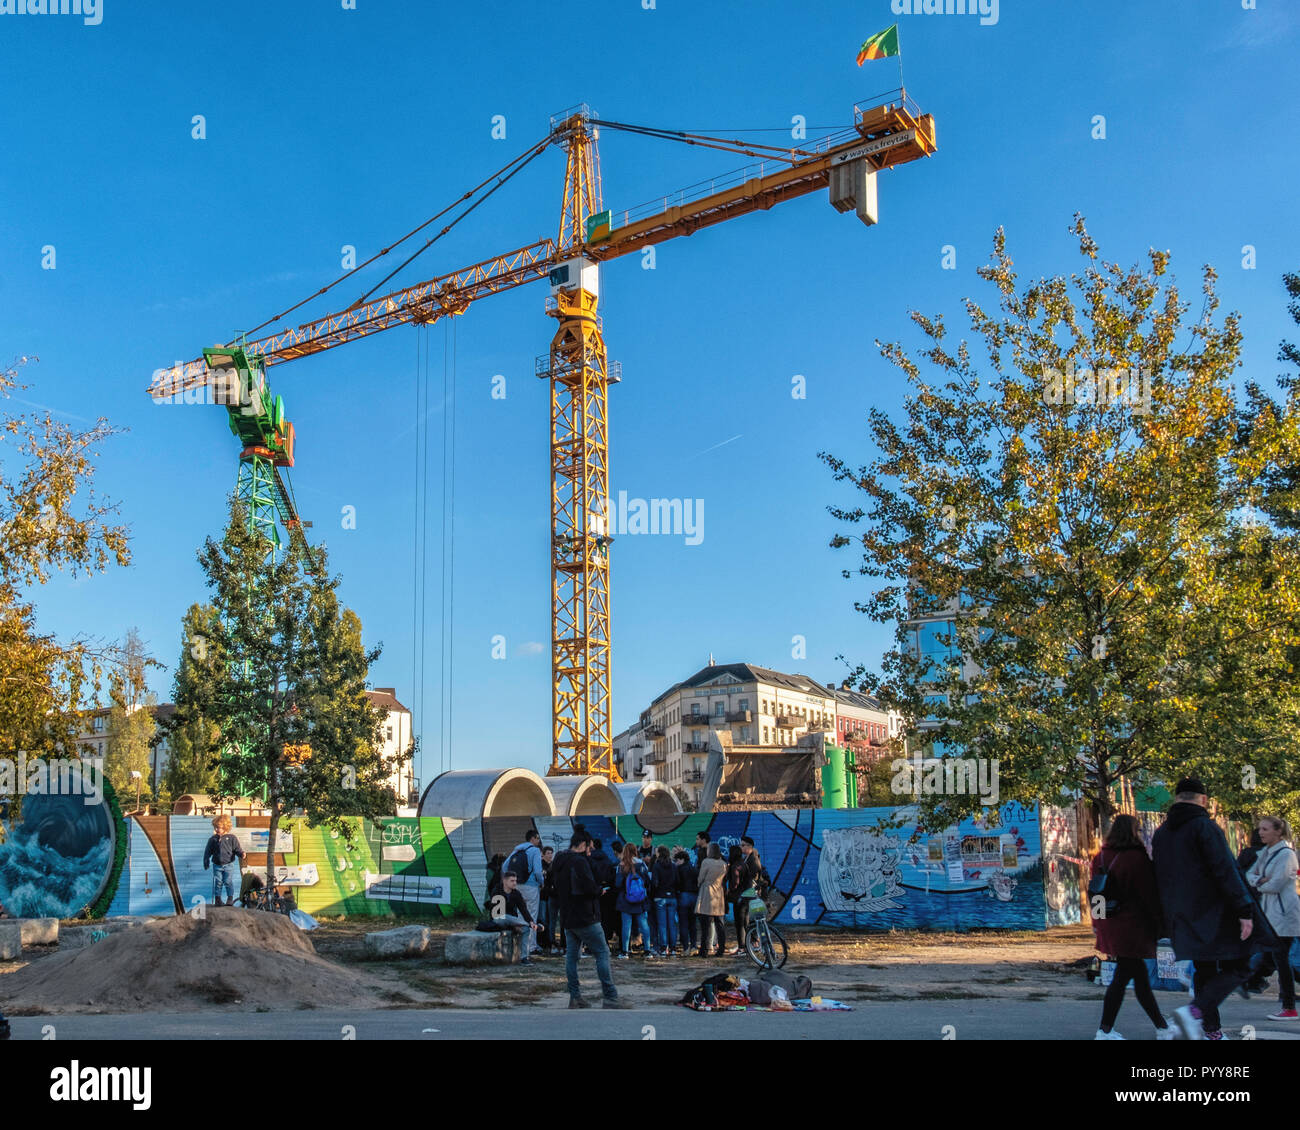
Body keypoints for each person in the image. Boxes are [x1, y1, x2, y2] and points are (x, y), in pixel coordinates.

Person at [1152, 777, 1261, 1041]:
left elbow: (1158, 875)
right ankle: (1194, 1012)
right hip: (1213, 914)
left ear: (1177, 798)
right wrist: (1244, 910)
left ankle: (1209, 1030)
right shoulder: (1205, 828)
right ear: (1203, 799)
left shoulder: (1162, 833)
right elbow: (1226, 871)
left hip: (1179, 915)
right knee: (1243, 965)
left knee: (1205, 969)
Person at [1090, 814, 1174, 1040]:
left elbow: (1095, 894)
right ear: (1133, 832)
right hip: (1134, 926)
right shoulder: (1137, 859)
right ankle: (1105, 1031)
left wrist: (1097, 924)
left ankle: (1162, 1027)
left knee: (1137, 977)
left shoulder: (1100, 858)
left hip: (1110, 923)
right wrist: (1162, 925)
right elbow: (1149, 896)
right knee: (1124, 977)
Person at [551, 830, 631, 1008]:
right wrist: (598, 891)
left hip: (567, 917)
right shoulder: (579, 862)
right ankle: (610, 996)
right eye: (589, 847)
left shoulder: (559, 860)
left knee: (572, 957)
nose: (590, 852)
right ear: (582, 844)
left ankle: (575, 996)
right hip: (585, 916)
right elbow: (587, 887)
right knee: (602, 953)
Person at [1246, 815, 1300, 1020]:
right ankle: (1285, 1002)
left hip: (1284, 914)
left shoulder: (1286, 855)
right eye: (1260, 829)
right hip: (1270, 913)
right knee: (1277, 957)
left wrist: (1260, 881)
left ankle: (1288, 1006)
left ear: (1278, 831)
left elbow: (1275, 884)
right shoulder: (1265, 853)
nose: (1261, 832)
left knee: (1280, 958)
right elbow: (1250, 876)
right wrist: (1261, 879)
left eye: (1265, 829)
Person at [475, 870, 538, 965]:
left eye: (515, 881)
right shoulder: (497, 891)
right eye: (512, 881)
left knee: (526, 929)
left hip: (512, 922)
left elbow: (523, 909)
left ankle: (524, 958)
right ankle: (526, 924)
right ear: (505, 881)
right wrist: (520, 923)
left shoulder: (516, 893)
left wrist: (530, 921)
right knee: (505, 917)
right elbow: (497, 913)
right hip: (498, 919)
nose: (515, 883)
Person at [503, 829, 544, 956]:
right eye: (538, 838)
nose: (539, 841)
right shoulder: (535, 850)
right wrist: (541, 882)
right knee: (531, 915)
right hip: (531, 887)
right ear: (533, 838)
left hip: (517, 886)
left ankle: (520, 946)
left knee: (520, 915)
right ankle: (531, 947)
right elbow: (537, 871)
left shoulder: (517, 850)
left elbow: (505, 867)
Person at [616, 843, 654, 958]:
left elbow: (617, 884)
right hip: (640, 900)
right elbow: (648, 882)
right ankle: (647, 950)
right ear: (635, 851)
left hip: (625, 900)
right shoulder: (641, 864)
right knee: (644, 925)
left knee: (626, 926)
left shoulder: (622, 865)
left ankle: (625, 951)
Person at [202, 815, 246, 907]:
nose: (217, 829)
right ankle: (218, 899)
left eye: (219, 827)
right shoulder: (213, 839)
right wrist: (206, 861)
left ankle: (230, 898)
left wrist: (241, 854)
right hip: (217, 865)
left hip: (228, 865)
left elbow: (237, 849)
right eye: (215, 827)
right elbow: (207, 851)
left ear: (226, 827)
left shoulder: (232, 838)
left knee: (228, 881)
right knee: (218, 882)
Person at [695, 843, 728, 957]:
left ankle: (704, 950)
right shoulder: (723, 864)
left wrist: (700, 883)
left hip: (707, 892)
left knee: (706, 924)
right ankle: (721, 949)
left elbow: (700, 878)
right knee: (720, 923)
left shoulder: (706, 862)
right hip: (719, 893)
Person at [650, 845, 679, 956]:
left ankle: (663, 947)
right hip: (672, 897)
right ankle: (673, 948)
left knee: (662, 925)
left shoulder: (656, 866)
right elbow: (678, 881)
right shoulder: (673, 866)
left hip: (660, 897)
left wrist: (654, 894)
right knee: (671, 924)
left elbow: (654, 883)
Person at [590, 837, 618, 945]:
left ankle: (595, 942)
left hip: (594, 892)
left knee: (594, 918)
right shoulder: (607, 860)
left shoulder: (590, 859)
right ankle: (605, 939)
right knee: (606, 917)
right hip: (607, 892)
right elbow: (611, 877)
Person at [674, 849, 699, 955]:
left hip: (683, 896)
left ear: (682, 859)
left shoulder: (679, 869)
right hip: (694, 896)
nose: (675, 863)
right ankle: (694, 946)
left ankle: (685, 948)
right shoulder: (694, 868)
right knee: (692, 923)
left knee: (683, 923)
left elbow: (677, 883)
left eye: (677, 860)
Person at [725, 844, 747, 955]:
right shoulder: (744, 864)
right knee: (745, 923)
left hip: (738, 898)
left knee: (739, 924)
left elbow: (735, 883)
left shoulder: (735, 866)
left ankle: (742, 947)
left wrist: (730, 890)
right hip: (746, 897)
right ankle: (746, 946)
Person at [538, 846, 556, 952]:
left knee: (550, 920)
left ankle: (549, 941)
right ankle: (543, 942)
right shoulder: (540, 865)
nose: (550, 855)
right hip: (542, 896)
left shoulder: (553, 865)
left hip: (551, 896)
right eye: (548, 853)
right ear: (543, 854)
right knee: (543, 919)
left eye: (551, 853)